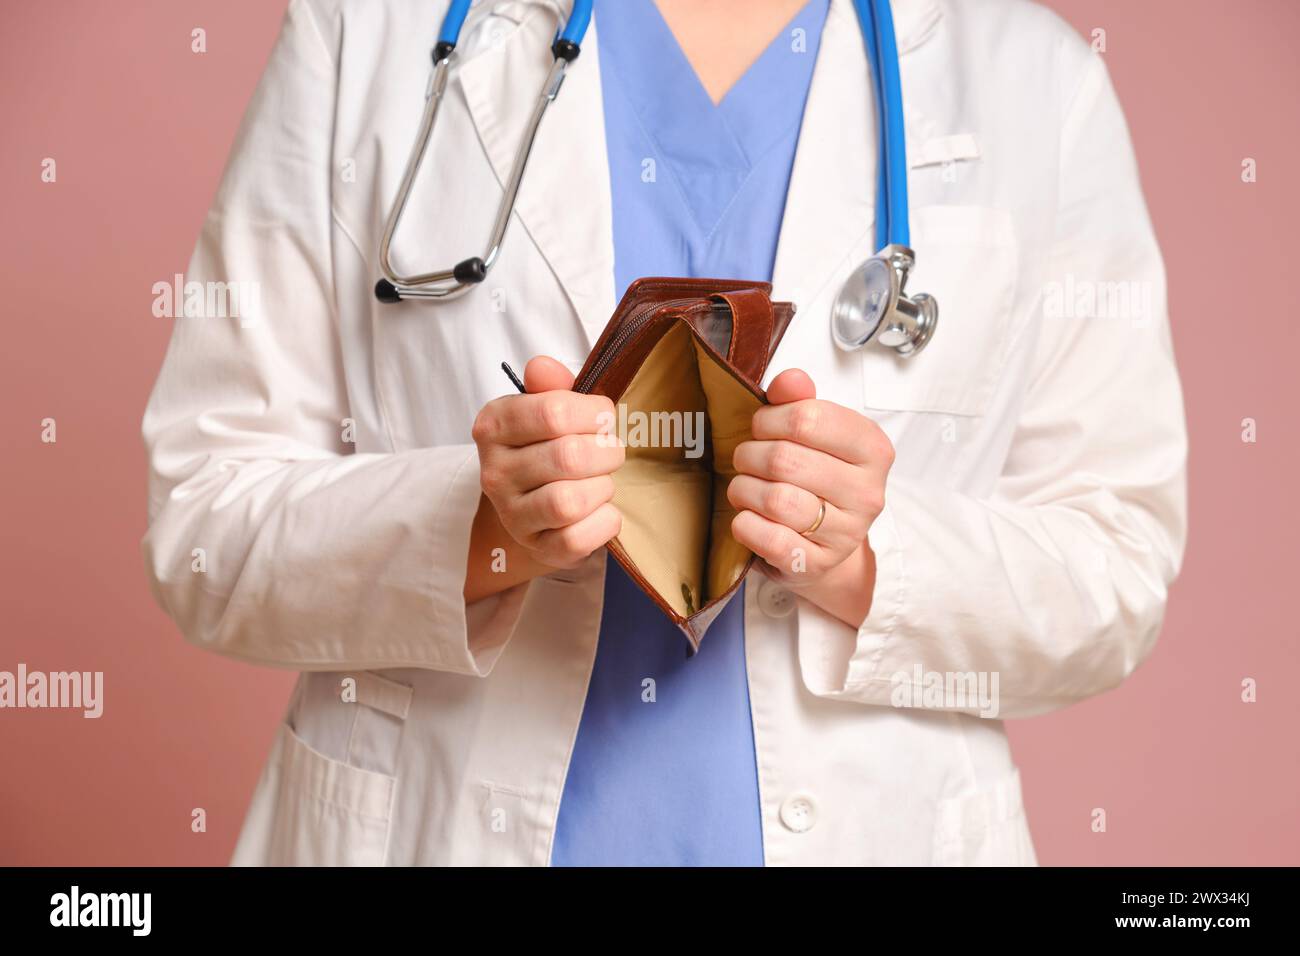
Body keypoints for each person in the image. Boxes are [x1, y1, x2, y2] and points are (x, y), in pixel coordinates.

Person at [141, 0, 1187, 866]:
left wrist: (868, 561)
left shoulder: (1030, 79)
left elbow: (1115, 570)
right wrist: (481, 528)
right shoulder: (365, 36)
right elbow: (203, 524)